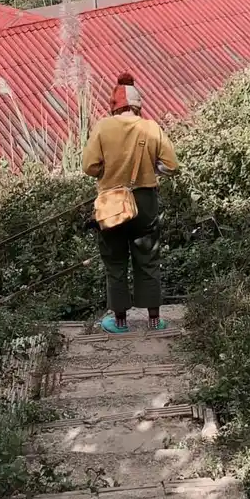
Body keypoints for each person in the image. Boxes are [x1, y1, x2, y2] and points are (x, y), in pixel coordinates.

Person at [83, 72, 178, 334]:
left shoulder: (103, 128)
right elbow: (172, 166)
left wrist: (109, 171)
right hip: (144, 201)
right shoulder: (151, 128)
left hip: (111, 203)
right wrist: (151, 169)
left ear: (114, 106)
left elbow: (89, 167)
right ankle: (154, 321)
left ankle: (120, 322)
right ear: (137, 105)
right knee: (148, 259)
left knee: (115, 262)